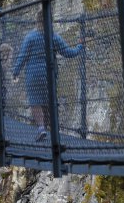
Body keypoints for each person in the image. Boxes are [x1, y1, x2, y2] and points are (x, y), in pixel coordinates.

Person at [12, 12, 83, 142]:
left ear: (36, 21)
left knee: (35, 102)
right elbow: (68, 53)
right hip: (48, 74)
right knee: (48, 101)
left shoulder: (30, 37)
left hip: (33, 74)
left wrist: (15, 71)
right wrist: (79, 46)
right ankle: (52, 128)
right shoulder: (53, 37)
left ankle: (41, 128)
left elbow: (22, 56)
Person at [0, 43, 15, 135]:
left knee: (2, 105)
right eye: (8, 53)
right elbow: (5, 67)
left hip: (2, 88)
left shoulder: (2, 61)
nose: (9, 56)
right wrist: (10, 56)